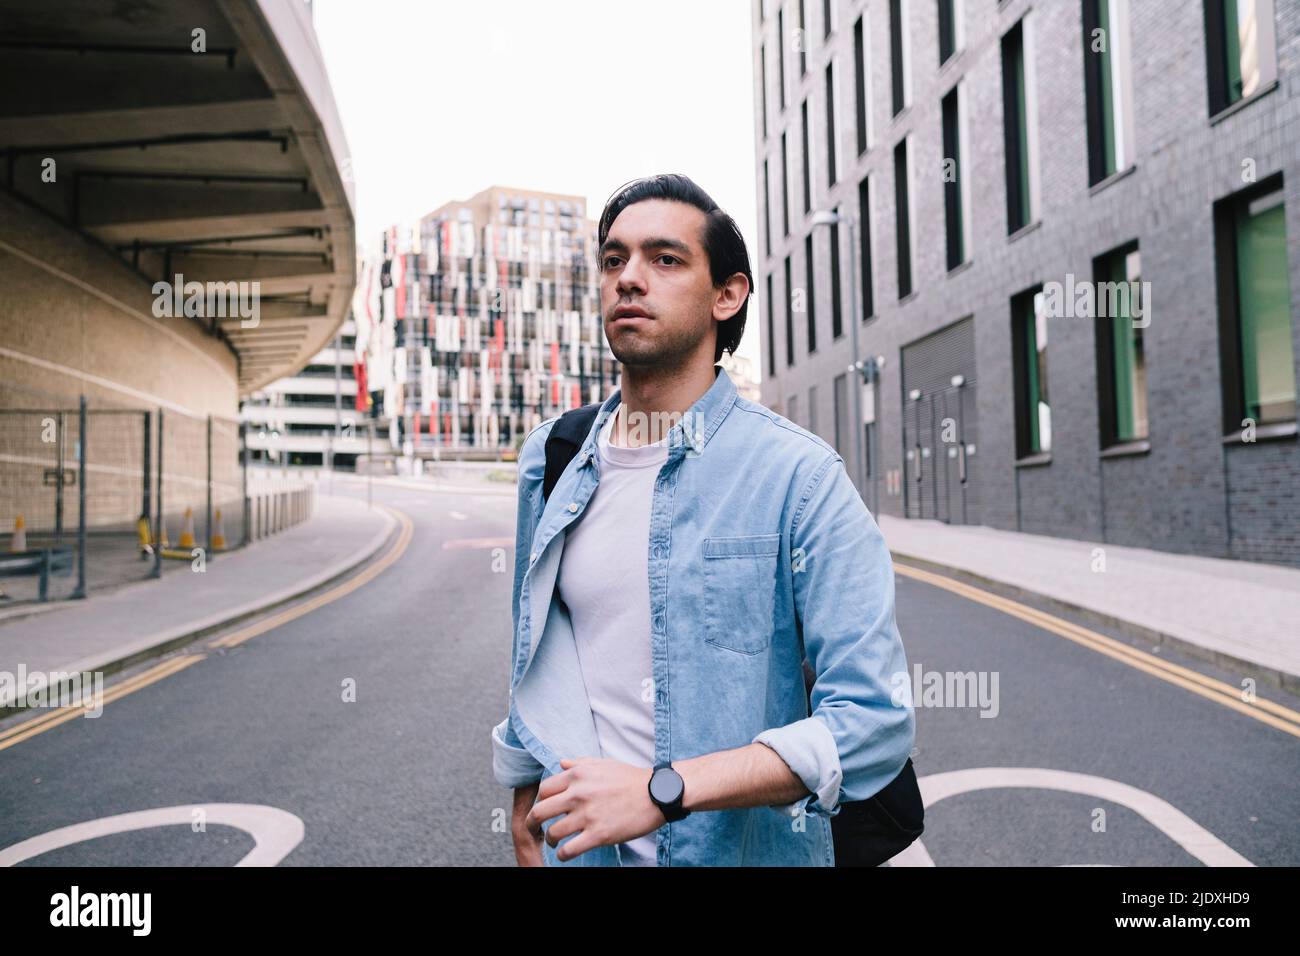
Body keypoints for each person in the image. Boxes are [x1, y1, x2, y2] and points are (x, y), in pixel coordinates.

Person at [490, 173, 914, 866]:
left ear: (728, 294)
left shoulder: (799, 479)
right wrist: (520, 796)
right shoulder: (553, 458)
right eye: (613, 259)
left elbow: (875, 721)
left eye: (664, 259)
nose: (629, 278)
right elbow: (534, 652)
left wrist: (663, 791)